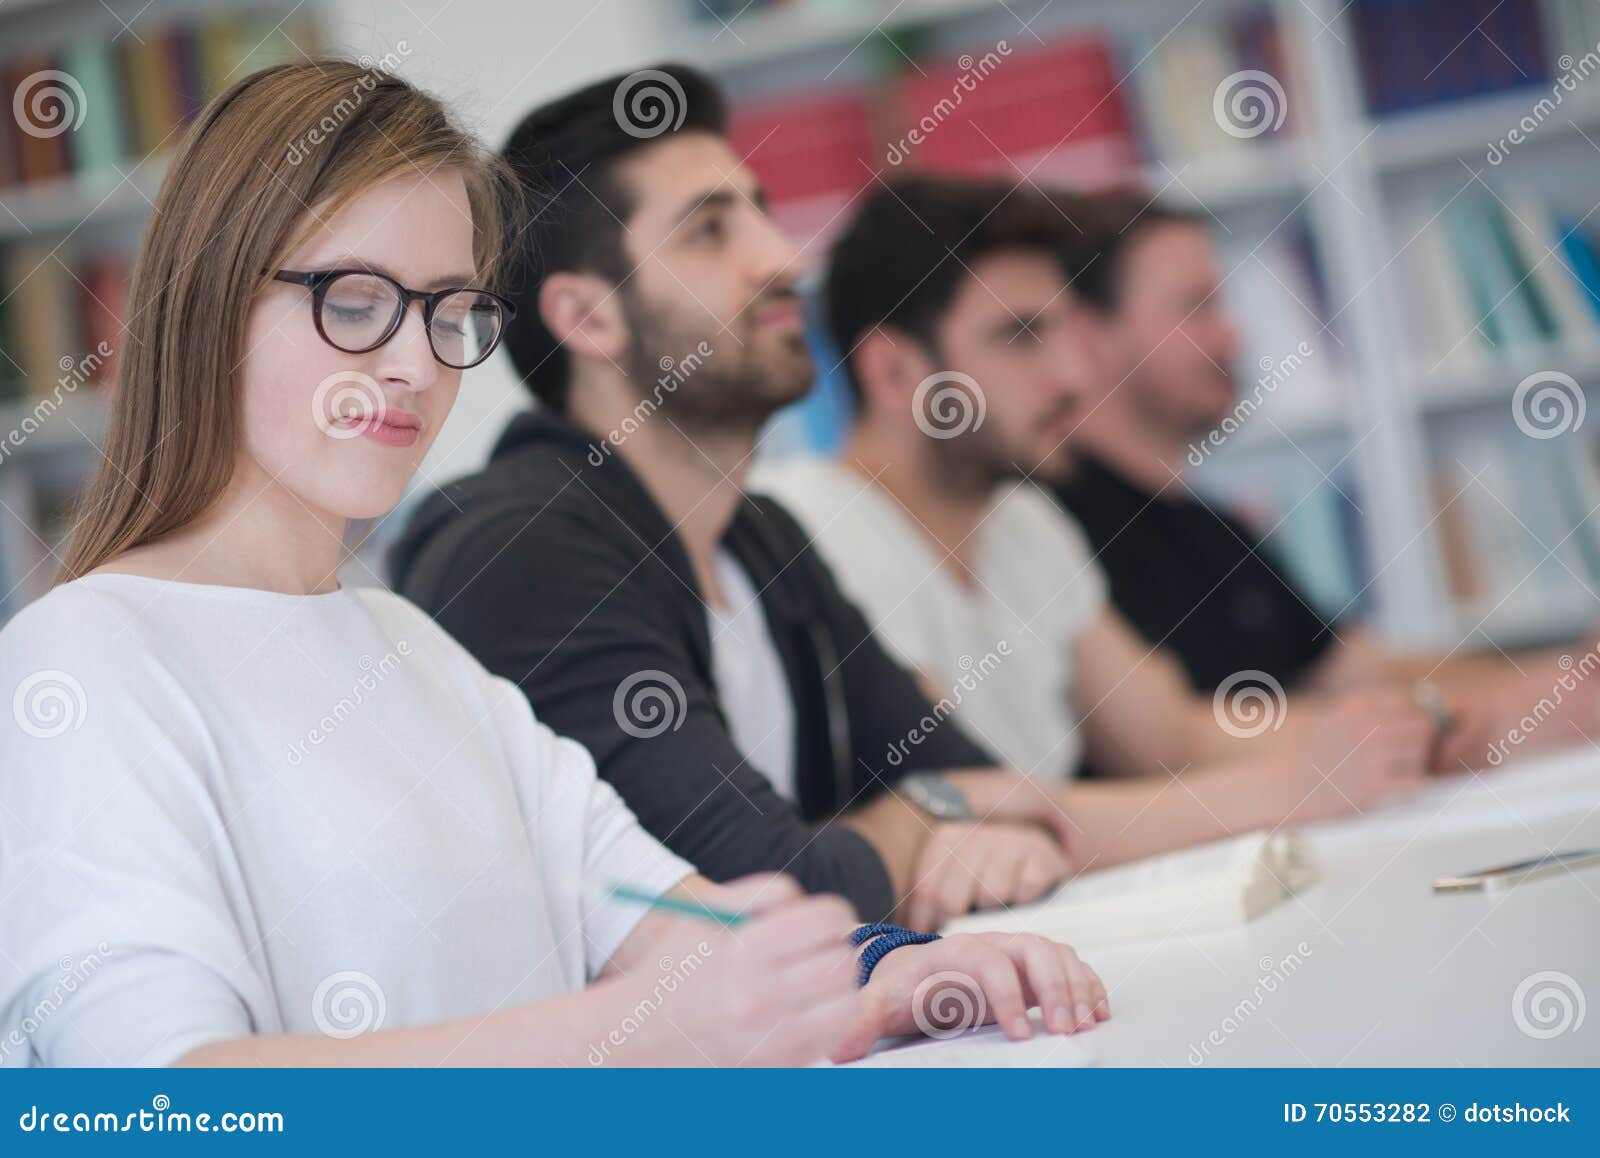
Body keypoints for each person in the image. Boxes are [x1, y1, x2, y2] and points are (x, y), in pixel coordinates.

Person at [0, 61, 1107, 1068]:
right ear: (211, 301)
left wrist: (886, 975)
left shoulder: (413, 650)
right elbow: (147, 1106)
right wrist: (619, 1038)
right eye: (353, 303)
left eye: (450, 312)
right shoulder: (85, 657)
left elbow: (674, 928)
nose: (412, 364)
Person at [391, 63, 1084, 937]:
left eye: (760, 211)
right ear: (590, 318)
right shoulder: (518, 548)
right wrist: (929, 820)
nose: (785, 258)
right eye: (710, 231)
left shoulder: (765, 540)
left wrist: (963, 818)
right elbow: (759, 896)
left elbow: (1003, 792)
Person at [754, 174, 1434, 819]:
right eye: (1020, 336)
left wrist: (1390, 728)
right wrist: (1301, 783)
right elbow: (968, 809)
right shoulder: (810, 529)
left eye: (1064, 332)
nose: (1074, 375)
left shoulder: (1024, 520)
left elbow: (1168, 738)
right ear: (894, 370)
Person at [1044, 192, 1600, 769]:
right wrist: (1449, 718)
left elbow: (1347, 667)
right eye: (1195, 308)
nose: (1232, 337)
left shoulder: (1213, 524)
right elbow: (1171, 742)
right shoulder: (1056, 529)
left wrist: (1561, 677)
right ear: (1089, 335)